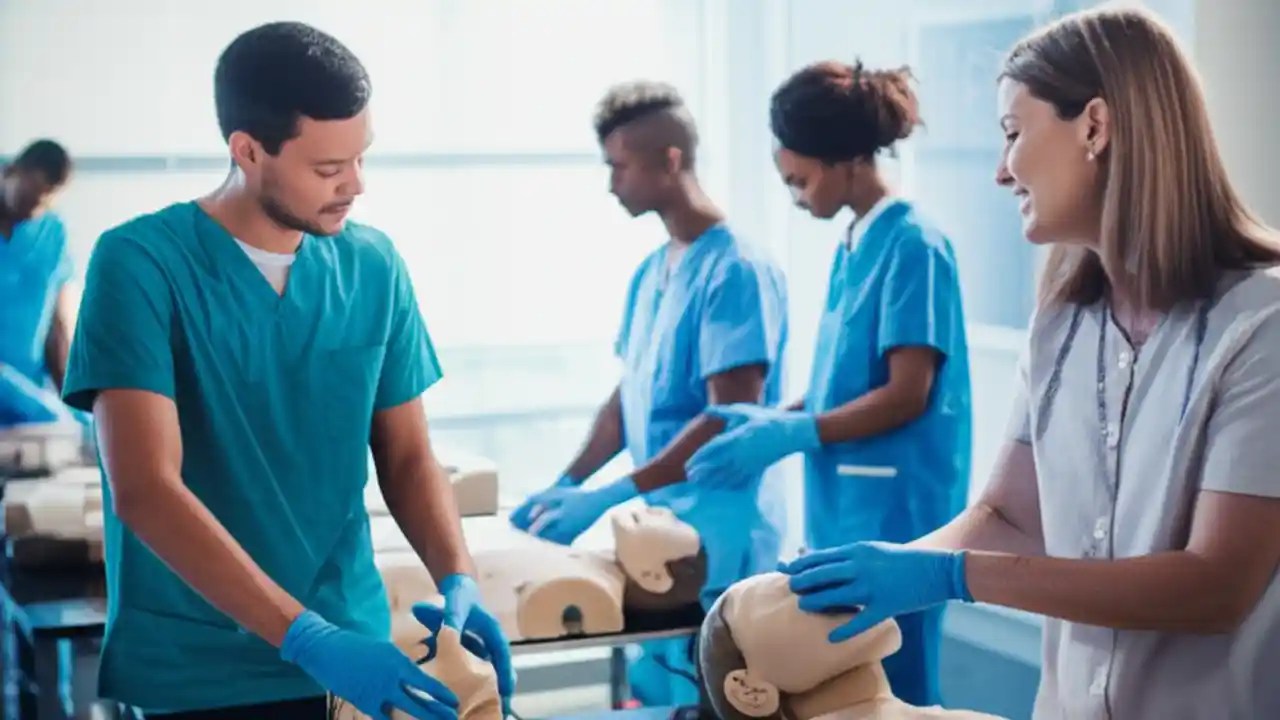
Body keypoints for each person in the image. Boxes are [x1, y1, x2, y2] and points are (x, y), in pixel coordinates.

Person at [775, 7, 1280, 720]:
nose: (1000, 172)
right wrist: (884, 569)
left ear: (1095, 128)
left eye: (1012, 134)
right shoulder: (1064, 325)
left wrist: (951, 575)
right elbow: (1010, 514)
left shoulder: (1261, 325)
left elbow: (1217, 587)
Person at [61, 22, 513, 720]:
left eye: (361, 159)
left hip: (354, 662)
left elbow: (407, 453)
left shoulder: (373, 266)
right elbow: (146, 489)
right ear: (248, 150)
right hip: (203, 672)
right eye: (328, 170)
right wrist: (306, 637)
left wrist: (458, 573)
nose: (355, 186)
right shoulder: (140, 266)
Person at [683, 61, 972, 706]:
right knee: (845, 691)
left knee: (894, 688)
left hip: (898, 513)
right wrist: (774, 419)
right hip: (845, 504)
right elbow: (837, 384)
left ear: (844, 159)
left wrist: (794, 432)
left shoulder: (914, 245)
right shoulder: (854, 244)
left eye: (801, 180)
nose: (796, 196)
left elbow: (907, 393)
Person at [507, 81, 789, 706]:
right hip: (659, 530)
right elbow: (628, 396)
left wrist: (616, 490)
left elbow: (730, 421)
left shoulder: (735, 270)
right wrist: (571, 482)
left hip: (720, 534)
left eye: (620, 167)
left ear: (669, 161)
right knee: (659, 690)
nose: (612, 185)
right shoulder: (655, 270)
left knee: (722, 692)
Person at [0, 139, 82, 428]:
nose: (31, 211)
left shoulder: (53, 234)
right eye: (26, 198)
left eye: (42, 203)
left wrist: (71, 403)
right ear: (9, 172)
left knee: (82, 428)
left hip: (27, 397)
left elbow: (58, 330)